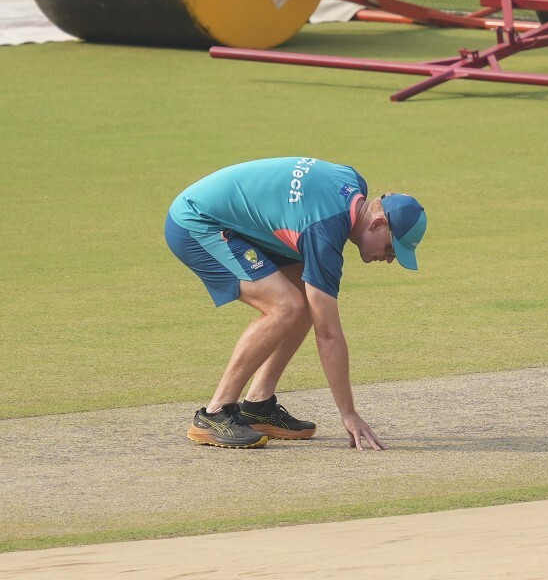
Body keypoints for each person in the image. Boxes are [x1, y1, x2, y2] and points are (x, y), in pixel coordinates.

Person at [164, 156, 427, 452]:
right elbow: (328, 335)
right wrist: (349, 414)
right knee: (286, 306)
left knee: (303, 299)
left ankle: (258, 406)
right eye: (392, 248)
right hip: (196, 222)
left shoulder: (352, 183)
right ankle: (214, 414)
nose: (390, 259)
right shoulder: (325, 231)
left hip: (232, 219)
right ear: (378, 223)